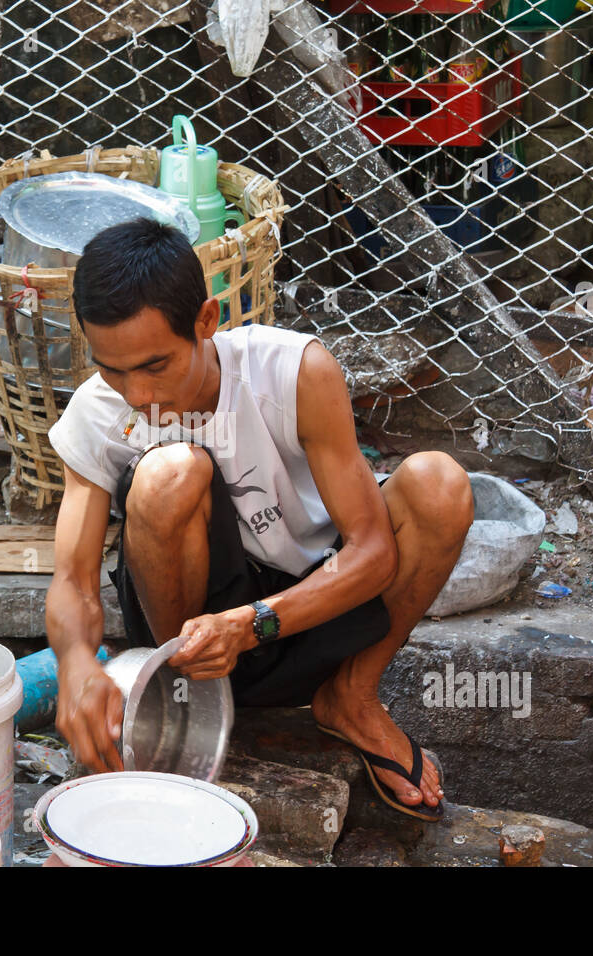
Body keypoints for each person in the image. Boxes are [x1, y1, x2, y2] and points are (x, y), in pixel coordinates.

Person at [45, 217, 474, 819]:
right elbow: (71, 581)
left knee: (441, 484)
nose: (136, 395)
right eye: (113, 369)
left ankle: (349, 696)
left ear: (205, 321)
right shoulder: (97, 413)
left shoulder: (292, 371)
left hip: (302, 615)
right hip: (186, 634)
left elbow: (372, 552)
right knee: (171, 472)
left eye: (154, 365)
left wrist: (250, 626)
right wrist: (73, 664)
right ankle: (184, 699)